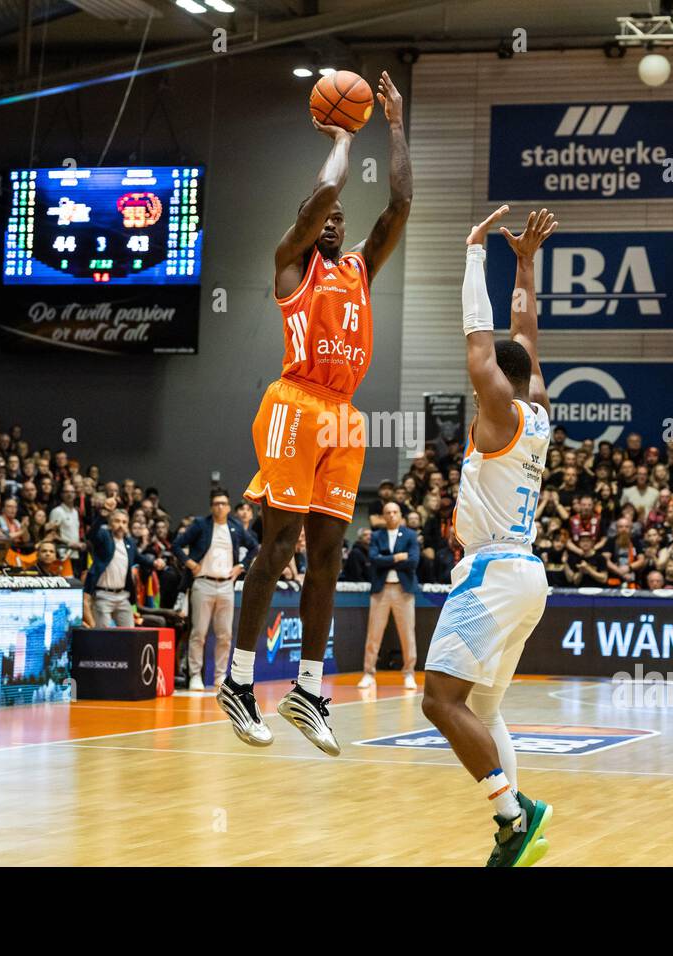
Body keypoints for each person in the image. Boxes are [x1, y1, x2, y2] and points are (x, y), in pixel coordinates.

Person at [218, 71, 412, 754]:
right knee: (278, 546)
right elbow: (326, 192)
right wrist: (340, 135)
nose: (335, 221)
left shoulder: (357, 269)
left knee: (330, 555)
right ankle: (238, 683)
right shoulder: (289, 266)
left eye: (339, 221)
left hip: (343, 417)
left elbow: (400, 205)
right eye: (323, 217)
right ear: (305, 224)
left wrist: (395, 124)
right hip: (294, 404)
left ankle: (309, 689)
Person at [420, 205, 557, 868]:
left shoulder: (501, 413)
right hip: (526, 575)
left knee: (438, 698)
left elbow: (484, 347)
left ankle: (512, 816)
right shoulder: (538, 409)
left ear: (499, 386)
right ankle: (520, 817)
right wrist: (526, 264)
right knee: (483, 706)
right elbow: (521, 341)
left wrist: (476, 253)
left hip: (494, 574)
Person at [173, 489, 259, 691]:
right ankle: (195, 675)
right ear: (212, 507)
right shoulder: (200, 525)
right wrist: (190, 563)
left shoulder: (235, 527)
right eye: (216, 503)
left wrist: (241, 566)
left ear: (229, 507)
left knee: (225, 635)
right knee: (198, 633)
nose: (220, 507)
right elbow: (177, 544)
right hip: (203, 583)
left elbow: (254, 547)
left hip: (226, 585)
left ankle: (220, 675)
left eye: (223, 503)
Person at [358, 501, 420, 689]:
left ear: (400, 515)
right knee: (374, 634)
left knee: (407, 633)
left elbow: (413, 561)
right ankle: (369, 673)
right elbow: (374, 560)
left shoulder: (410, 535)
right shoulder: (377, 536)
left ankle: (409, 673)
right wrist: (396, 557)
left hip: (403, 590)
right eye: (388, 512)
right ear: (383, 516)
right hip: (381, 589)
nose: (392, 515)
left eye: (395, 512)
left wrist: (388, 560)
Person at [83, 502, 142, 628]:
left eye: (124, 522)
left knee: (130, 635)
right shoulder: (105, 537)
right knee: (102, 636)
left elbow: (139, 558)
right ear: (110, 523)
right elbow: (91, 535)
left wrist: (155, 562)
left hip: (122, 596)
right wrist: (101, 516)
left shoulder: (129, 542)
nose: (121, 525)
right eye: (117, 521)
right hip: (103, 596)